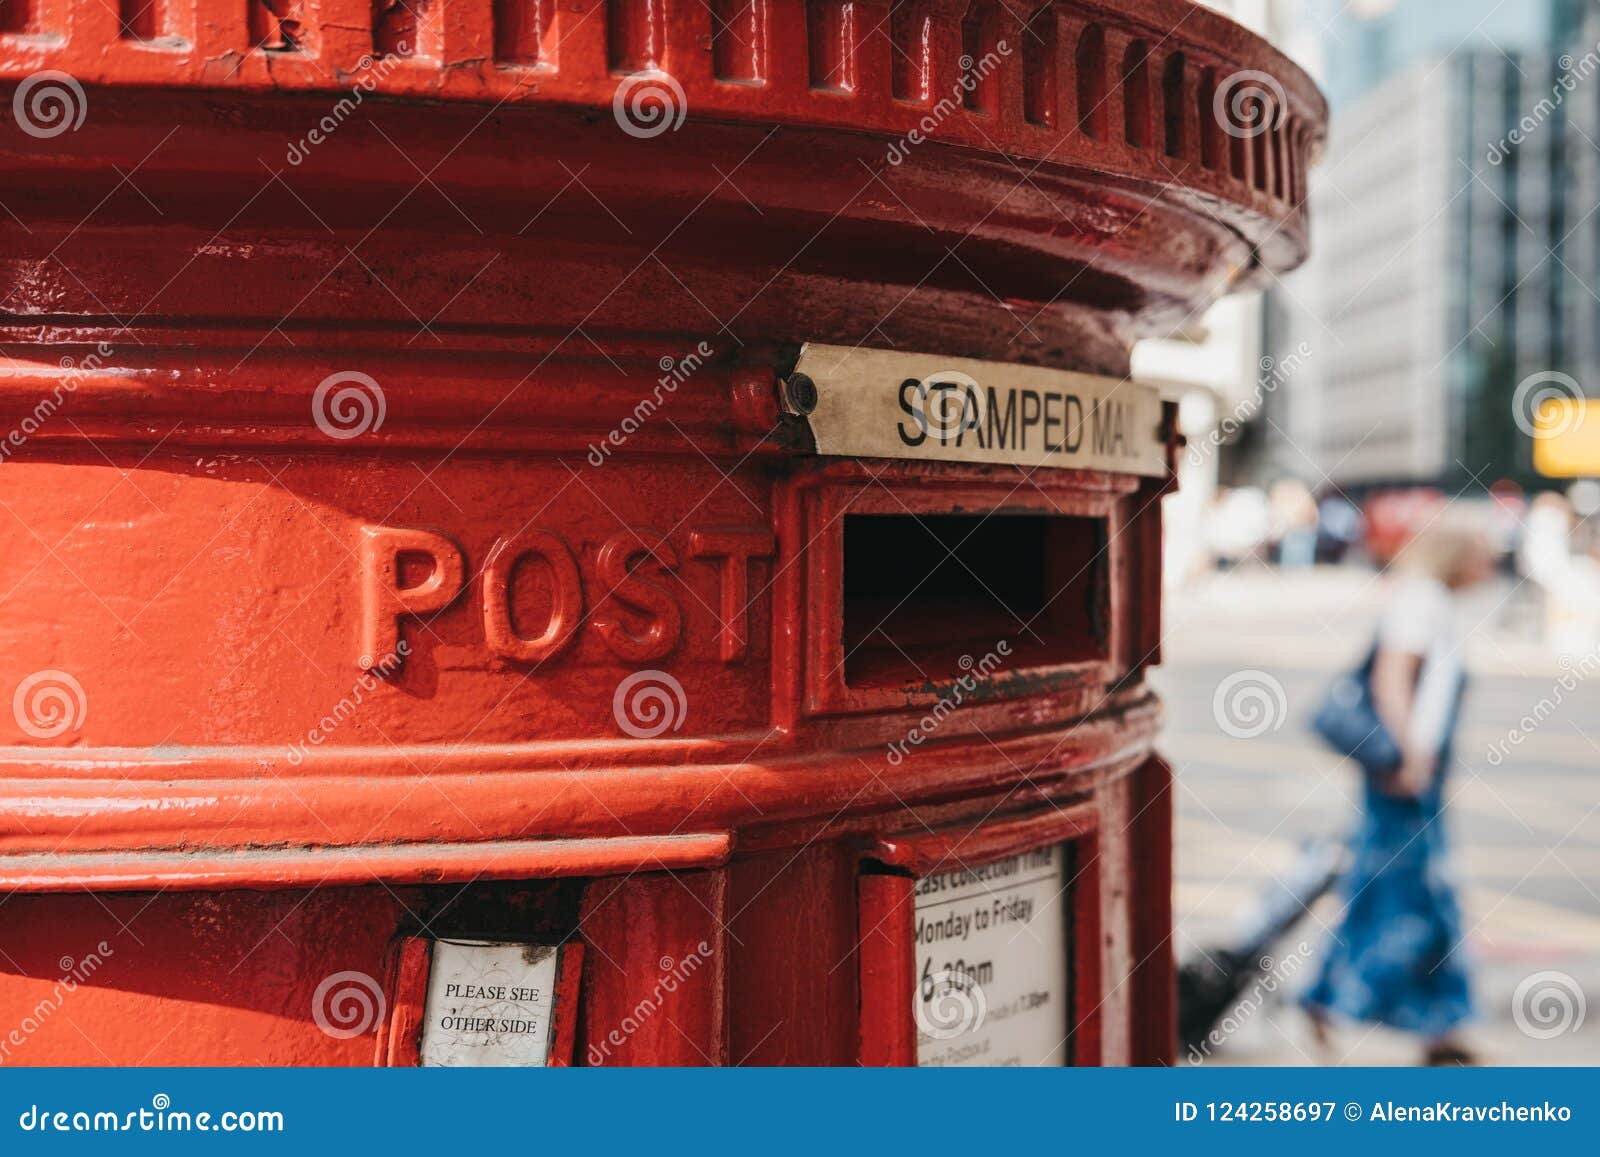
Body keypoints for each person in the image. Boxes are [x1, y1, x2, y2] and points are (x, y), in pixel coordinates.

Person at [1300, 518, 1496, 1065]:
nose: (1490, 566)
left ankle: (1436, 1028)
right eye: (1482, 554)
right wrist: (1408, 755)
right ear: (1455, 556)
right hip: (1403, 775)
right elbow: (1392, 677)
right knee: (1412, 890)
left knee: (1398, 889)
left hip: (1415, 773)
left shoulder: (1428, 601)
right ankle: (1341, 1002)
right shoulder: (1421, 601)